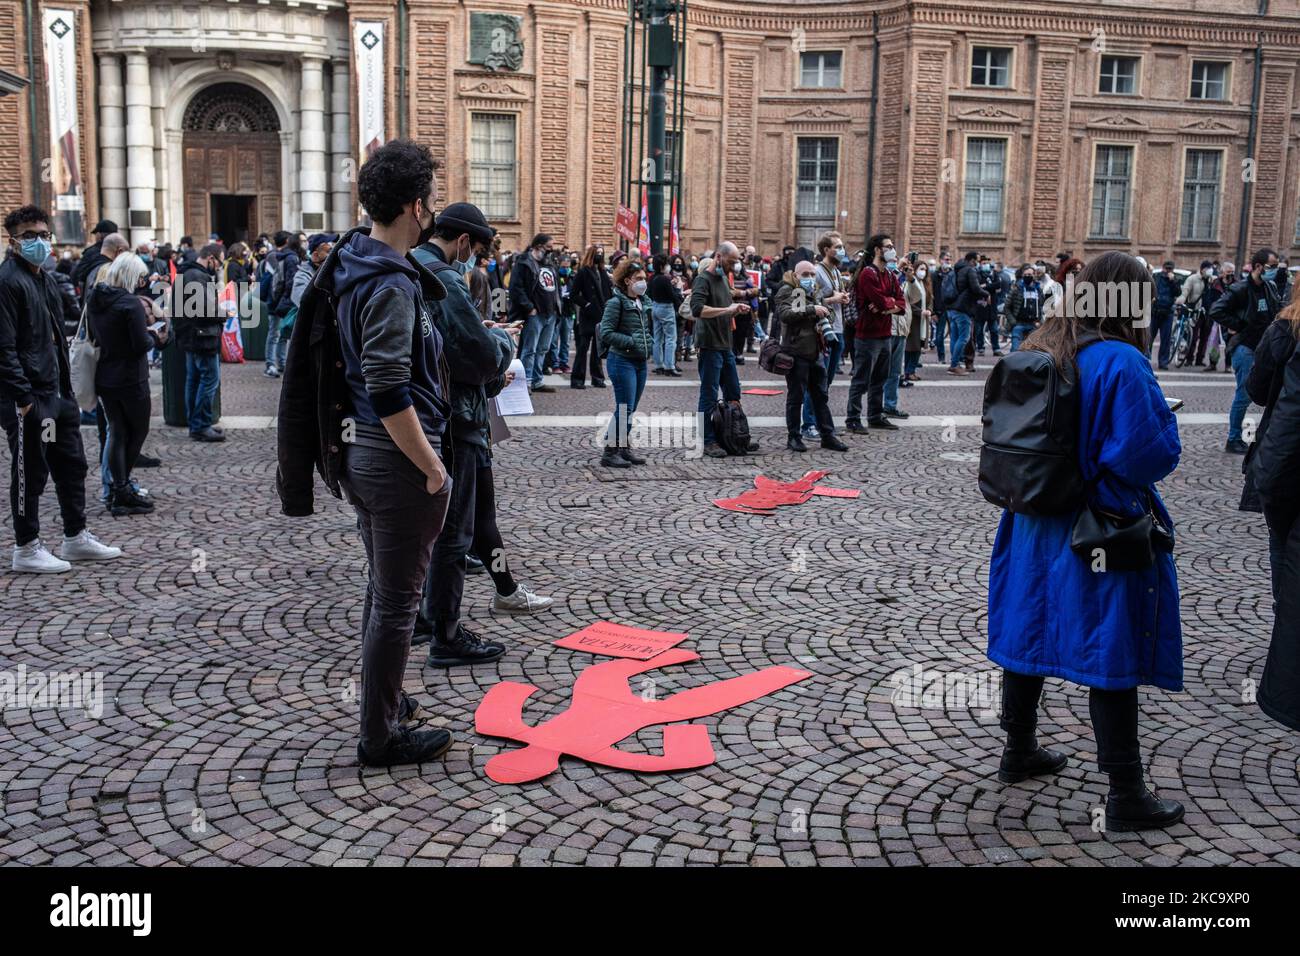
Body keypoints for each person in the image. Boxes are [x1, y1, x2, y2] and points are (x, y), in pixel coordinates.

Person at [988, 251, 1184, 832]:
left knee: (1028, 630)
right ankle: (1126, 793)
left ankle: (1019, 750)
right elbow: (1146, 455)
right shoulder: (1121, 359)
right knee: (1109, 646)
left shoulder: (1040, 343)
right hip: (1098, 525)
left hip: (1032, 520)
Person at [279, 138, 454, 768]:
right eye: (430, 198)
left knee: (384, 592)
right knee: (399, 602)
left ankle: (387, 700)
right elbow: (387, 389)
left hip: (362, 456)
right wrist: (433, 468)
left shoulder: (353, 261)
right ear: (415, 206)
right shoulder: (390, 283)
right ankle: (380, 735)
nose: (432, 208)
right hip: (395, 461)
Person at [409, 201, 551, 662]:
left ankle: (440, 613)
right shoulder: (444, 277)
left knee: (453, 523)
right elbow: (479, 355)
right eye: (478, 248)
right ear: (464, 241)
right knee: (456, 530)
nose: (476, 257)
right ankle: (446, 633)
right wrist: (503, 340)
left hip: (434, 415)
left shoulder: (412, 265)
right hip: (458, 419)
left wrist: (482, 333)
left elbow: (452, 343)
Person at [0, 205, 122, 572]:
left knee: (70, 464)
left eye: (43, 234)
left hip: (56, 393)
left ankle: (75, 536)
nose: (38, 241)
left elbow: (56, 332)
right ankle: (26, 546)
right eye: (29, 236)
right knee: (31, 471)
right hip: (31, 398)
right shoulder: (8, 282)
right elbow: (4, 348)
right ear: (13, 241)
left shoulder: (46, 279)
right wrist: (24, 399)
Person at [1249, 304, 1300, 731]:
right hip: (1286, 471)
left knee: (1285, 561)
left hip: (1289, 475)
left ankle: (1286, 639)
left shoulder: (1286, 327)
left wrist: (1267, 483)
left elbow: (1260, 390)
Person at [85, 252, 164, 516]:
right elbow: (141, 344)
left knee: (117, 431)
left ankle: (118, 489)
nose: (142, 282)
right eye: (140, 277)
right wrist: (155, 336)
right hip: (131, 377)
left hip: (105, 375)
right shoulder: (130, 303)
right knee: (137, 431)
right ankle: (122, 489)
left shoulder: (95, 299)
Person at [1211, 248, 1283, 454]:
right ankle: (1234, 438)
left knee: (1267, 391)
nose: (1274, 270)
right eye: (1271, 266)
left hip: (1264, 348)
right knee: (1244, 394)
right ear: (1258, 266)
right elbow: (1216, 310)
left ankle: (1261, 437)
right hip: (1245, 347)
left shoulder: (1269, 287)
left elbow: (1276, 310)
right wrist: (1238, 325)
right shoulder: (1240, 289)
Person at [775, 260, 849, 453]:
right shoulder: (788, 290)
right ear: (796, 275)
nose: (810, 278)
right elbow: (785, 314)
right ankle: (794, 437)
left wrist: (823, 313)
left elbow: (830, 314)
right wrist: (812, 309)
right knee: (796, 397)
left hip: (816, 352)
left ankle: (827, 436)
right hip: (796, 351)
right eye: (805, 274)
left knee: (820, 396)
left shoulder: (815, 291)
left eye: (812, 274)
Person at [690, 241, 754, 458]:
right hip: (709, 345)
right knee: (708, 395)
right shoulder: (703, 280)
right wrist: (727, 310)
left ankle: (734, 435)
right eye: (732, 261)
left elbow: (724, 309)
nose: (734, 266)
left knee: (733, 392)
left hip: (726, 344)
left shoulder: (724, 279)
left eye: (736, 262)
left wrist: (736, 310)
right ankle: (708, 440)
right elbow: (697, 309)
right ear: (719, 256)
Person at [845, 233, 904, 432]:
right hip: (867, 336)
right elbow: (880, 300)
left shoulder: (890, 275)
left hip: (885, 334)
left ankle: (875, 416)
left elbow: (901, 303)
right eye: (889, 246)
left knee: (880, 379)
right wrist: (889, 304)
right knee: (861, 380)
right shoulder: (868, 274)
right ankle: (853, 419)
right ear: (878, 250)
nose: (893, 250)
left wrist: (888, 307)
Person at [599, 258, 653, 468]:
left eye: (644, 278)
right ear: (628, 280)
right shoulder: (616, 303)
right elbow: (606, 332)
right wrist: (631, 342)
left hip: (639, 361)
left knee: (631, 408)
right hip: (621, 360)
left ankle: (623, 447)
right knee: (625, 408)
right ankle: (609, 452)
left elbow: (644, 329)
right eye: (638, 278)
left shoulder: (643, 302)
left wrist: (648, 341)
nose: (643, 282)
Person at [799, 233, 850, 440]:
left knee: (826, 382)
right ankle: (808, 424)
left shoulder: (836, 271)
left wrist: (842, 298)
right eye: (838, 247)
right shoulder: (818, 272)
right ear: (826, 250)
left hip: (837, 328)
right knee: (817, 382)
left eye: (842, 246)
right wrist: (832, 299)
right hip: (823, 331)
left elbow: (832, 296)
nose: (842, 250)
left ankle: (822, 423)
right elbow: (809, 300)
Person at [174, 243, 226, 442]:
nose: (219, 267)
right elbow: (205, 310)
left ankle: (195, 424)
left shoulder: (187, 273)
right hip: (201, 337)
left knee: (194, 380)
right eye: (219, 263)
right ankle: (201, 425)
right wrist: (224, 313)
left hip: (191, 336)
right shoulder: (197, 276)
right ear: (211, 258)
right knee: (209, 380)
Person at [511, 233, 560, 393]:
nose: (551, 250)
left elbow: (556, 287)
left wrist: (557, 307)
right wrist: (529, 307)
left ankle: (537, 381)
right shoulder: (524, 262)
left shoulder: (549, 263)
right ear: (538, 246)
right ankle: (525, 382)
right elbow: (516, 288)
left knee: (543, 349)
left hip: (550, 313)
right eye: (548, 247)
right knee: (529, 349)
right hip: (535, 313)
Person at [570, 244, 610, 389]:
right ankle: (577, 379)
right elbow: (574, 294)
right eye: (597, 252)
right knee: (582, 348)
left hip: (601, 315)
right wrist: (586, 305)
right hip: (588, 316)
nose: (600, 255)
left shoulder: (603, 272)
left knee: (598, 349)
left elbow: (608, 292)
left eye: (601, 252)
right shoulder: (584, 272)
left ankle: (597, 378)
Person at [264, 231, 300, 378]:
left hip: (275, 300)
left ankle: (278, 363)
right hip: (280, 301)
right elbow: (288, 282)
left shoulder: (272, 255)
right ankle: (272, 364)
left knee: (279, 333)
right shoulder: (286, 257)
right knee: (276, 333)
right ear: (286, 241)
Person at [945, 251, 981, 376]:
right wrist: (986, 294)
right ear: (972, 260)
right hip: (963, 308)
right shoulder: (970, 270)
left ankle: (954, 363)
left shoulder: (956, 269)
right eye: (977, 260)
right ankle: (954, 365)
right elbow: (975, 288)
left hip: (952, 308)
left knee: (955, 338)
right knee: (964, 338)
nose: (978, 263)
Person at [648, 254, 682, 377]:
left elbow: (649, 293)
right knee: (670, 338)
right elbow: (672, 295)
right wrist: (677, 289)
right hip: (666, 308)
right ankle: (669, 366)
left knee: (657, 338)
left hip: (655, 306)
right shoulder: (664, 279)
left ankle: (659, 365)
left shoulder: (652, 278)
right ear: (663, 266)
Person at [1178, 260, 1213, 367]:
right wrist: (1182, 299)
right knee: (1193, 336)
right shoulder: (1193, 279)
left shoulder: (1211, 280)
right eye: (1208, 268)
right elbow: (1186, 290)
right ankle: (1189, 358)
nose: (1210, 271)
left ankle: (1199, 359)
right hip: (1195, 311)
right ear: (1202, 269)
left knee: (1205, 337)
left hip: (1208, 312)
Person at [71, 219, 118, 296]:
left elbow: (76, 275)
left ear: (99, 235)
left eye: (95, 234)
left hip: (94, 297)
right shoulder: (122, 253)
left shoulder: (91, 253)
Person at [1004, 263, 1042, 352]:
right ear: (1022, 275)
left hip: (1033, 324)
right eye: (1025, 274)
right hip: (1019, 323)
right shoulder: (1016, 289)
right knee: (1015, 349)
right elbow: (1006, 307)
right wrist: (1013, 322)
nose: (1027, 276)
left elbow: (1041, 306)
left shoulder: (1038, 290)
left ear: (1034, 275)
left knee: (1033, 351)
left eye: (1030, 274)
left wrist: (1039, 321)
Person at [1150, 261, 1181, 370]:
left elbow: (1178, 292)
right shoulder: (1156, 277)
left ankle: (1163, 362)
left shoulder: (1175, 280)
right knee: (1149, 338)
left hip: (1167, 313)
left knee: (1166, 340)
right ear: (1162, 268)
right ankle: (1146, 359)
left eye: (1170, 269)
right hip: (1155, 312)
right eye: (1166, 268)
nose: (1168, 271)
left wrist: (1173, 281)